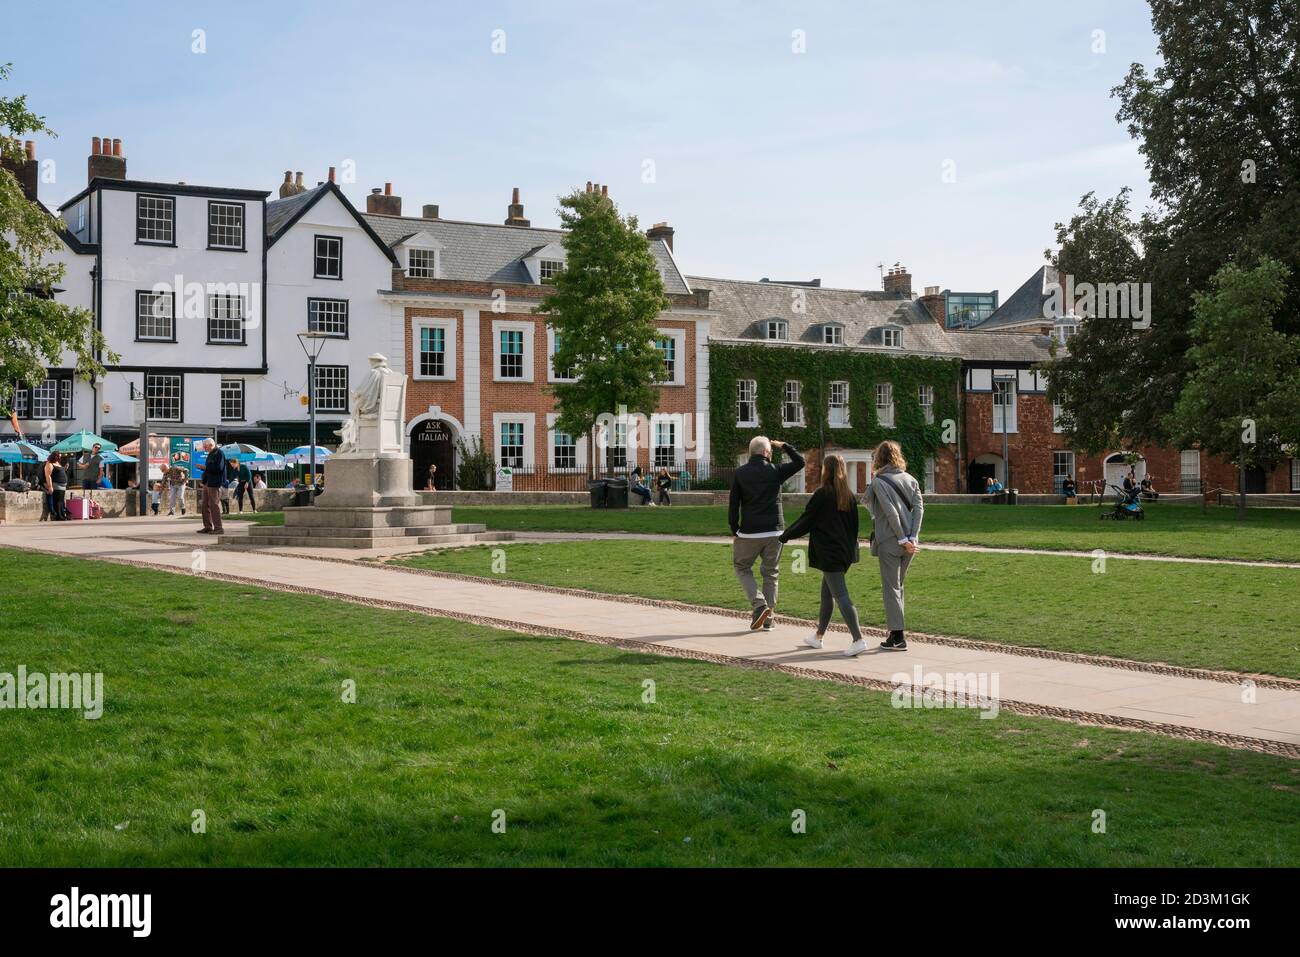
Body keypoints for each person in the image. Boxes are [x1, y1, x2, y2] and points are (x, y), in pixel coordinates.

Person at [779, 454, 866, 656]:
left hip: (830, 553)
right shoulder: (849, 496)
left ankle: (858, 639)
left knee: (841, 595)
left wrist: (785, 535)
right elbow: (854, 528)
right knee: (827, 594)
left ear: (826, 470)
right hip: (844, 552)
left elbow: (806, 520)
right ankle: (818, 637)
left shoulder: (822, 494)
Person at [729, 436, 805, 630]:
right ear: (765, 452)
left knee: (742, 567)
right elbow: (800, 462)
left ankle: (759, 604)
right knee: (771, 573)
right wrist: (784, 445)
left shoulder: (740, 473)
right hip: (775, 530)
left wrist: (734, 528)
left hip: (749, 531)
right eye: (770, 451)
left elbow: (733, 504)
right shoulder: (776, 471)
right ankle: (768, 617)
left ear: (750, 452)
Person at [861, 440, 923, 652]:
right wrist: (913, 537)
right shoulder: (911, 479)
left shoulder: (879, 481)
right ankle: (896, 634)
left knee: (891, 588)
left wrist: (901, 539)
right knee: (899, 586)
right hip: (910, 542)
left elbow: (887, 511)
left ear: (879, 458)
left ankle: (897, 636)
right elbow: (919, 509)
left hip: (891, 540)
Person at [198, 438, 226, 534]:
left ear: (211, 445)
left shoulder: (219, 453)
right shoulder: (210, 454)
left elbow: (219, 468)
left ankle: (218, 528)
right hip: (208, 482)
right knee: (205, 505)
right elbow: (209, 470)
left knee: (214, 505)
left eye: (206, 446)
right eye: (204, 446)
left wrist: (205, 467)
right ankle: (208, 526)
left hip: (214, 483)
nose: (204, 448)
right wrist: (204, 478)